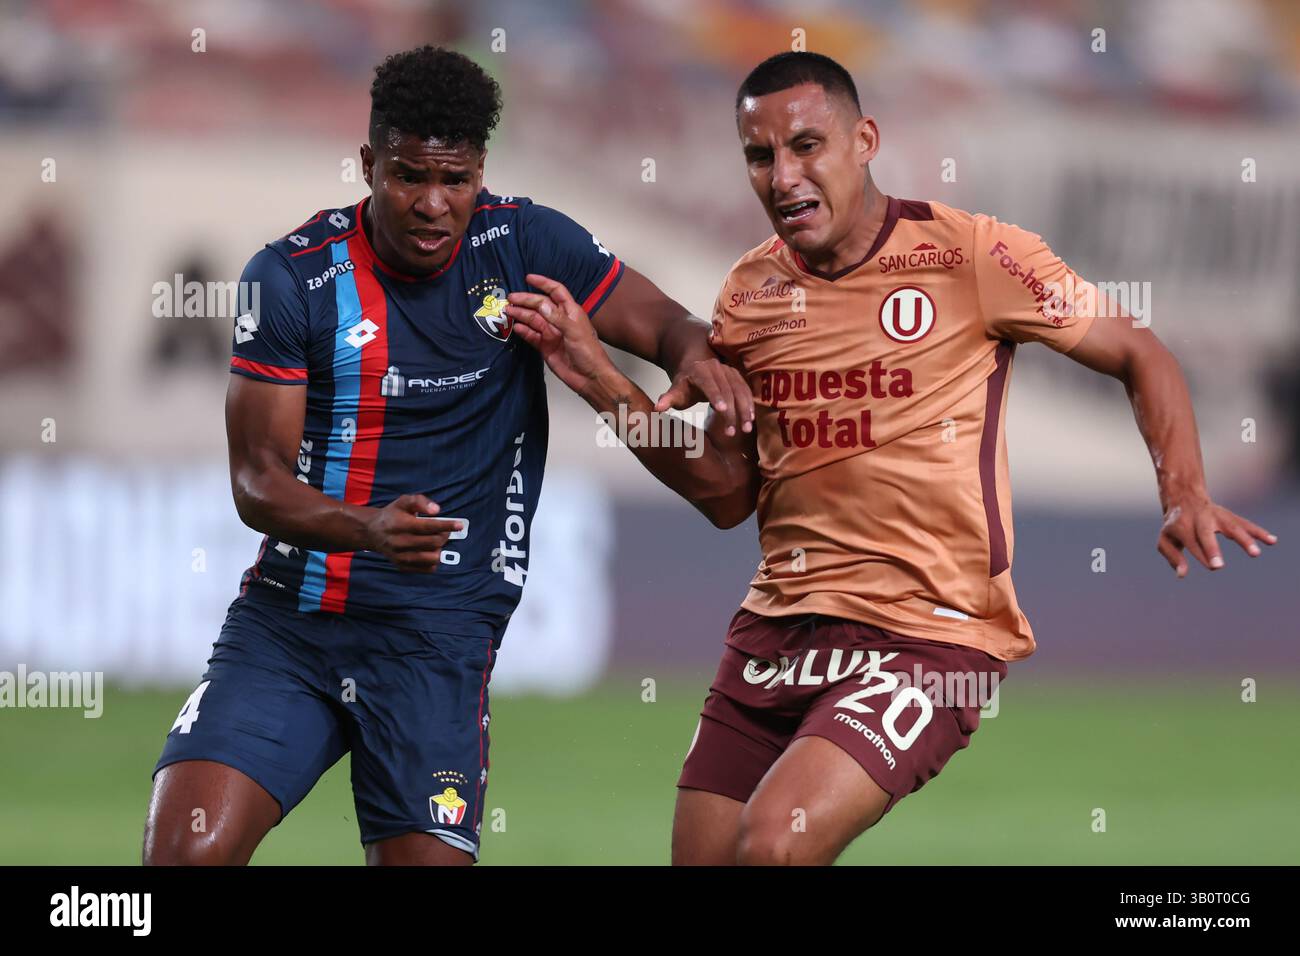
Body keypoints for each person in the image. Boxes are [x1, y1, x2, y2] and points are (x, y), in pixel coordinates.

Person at [502, 51, 1278, 866]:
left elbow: (1137, 349)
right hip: (778, 627)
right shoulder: (749, 297)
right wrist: (601, 382)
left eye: (808, 146)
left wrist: (1183, 489)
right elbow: (728, 495)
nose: (783, 175)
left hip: (931, 636)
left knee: (772, 844)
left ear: (864, 139)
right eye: (760, 157)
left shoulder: (972, 256)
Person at [142, 45, 745, 866]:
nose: (432, 205)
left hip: (437, 640)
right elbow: (257, 482)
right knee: (183, 856)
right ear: (368, 165)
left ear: (480, 173)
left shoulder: (525, 242)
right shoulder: (288, 279)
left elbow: (670, 325)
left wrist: (696, 355)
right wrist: (367, 531)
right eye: (408, 176)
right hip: (292, 626)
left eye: (453, 181)